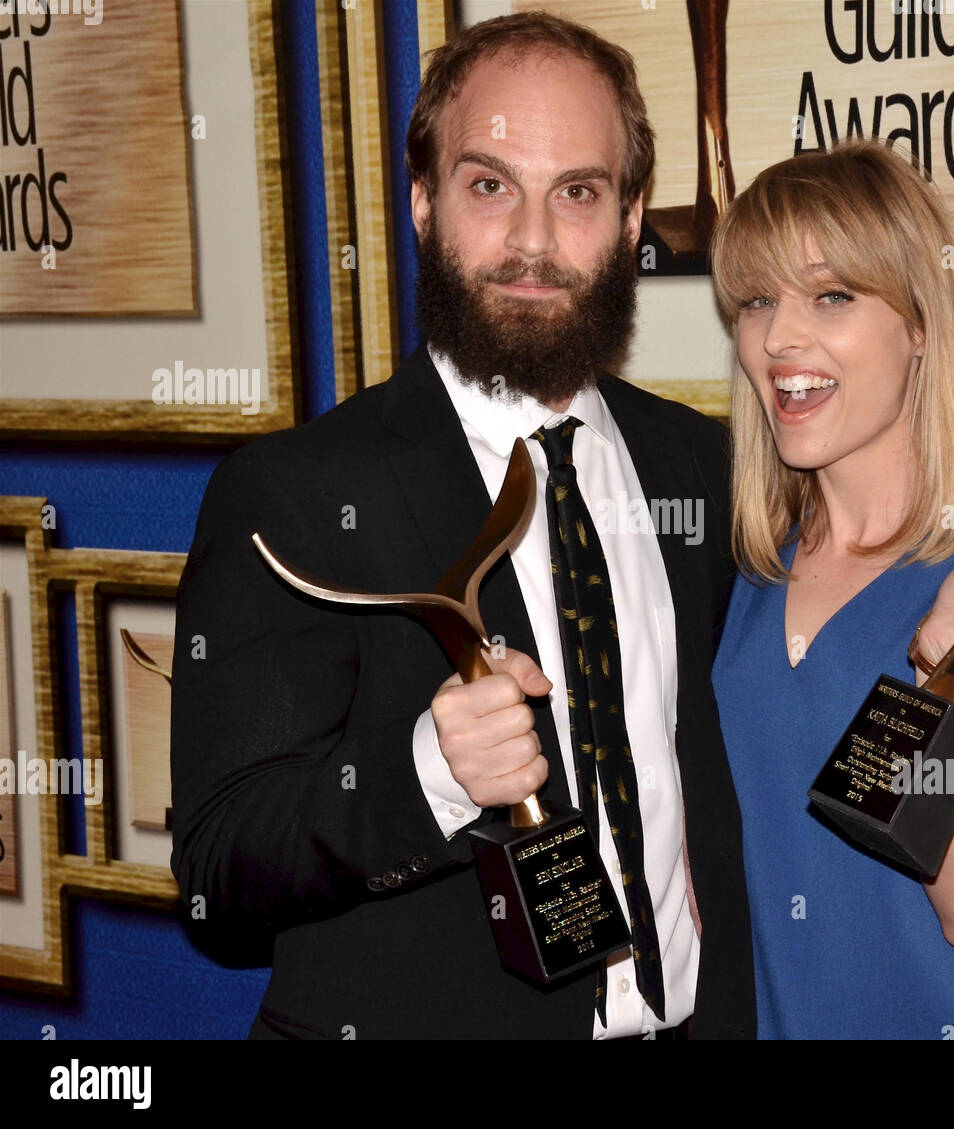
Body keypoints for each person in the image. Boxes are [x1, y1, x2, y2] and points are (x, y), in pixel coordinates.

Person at [170, 11, 752, 1040]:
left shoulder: (699, 467)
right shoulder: (295, 493)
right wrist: (427, 777)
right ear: (424, 204)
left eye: (577, 192)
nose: (533, 241)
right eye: (490, 186)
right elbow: (219, 877)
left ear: (628, 223)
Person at [709, 139, 954, 1039]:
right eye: (757, 300)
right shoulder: (738, 569)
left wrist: (953, 664)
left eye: (833, 296)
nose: (780, 337)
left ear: (921, 321)